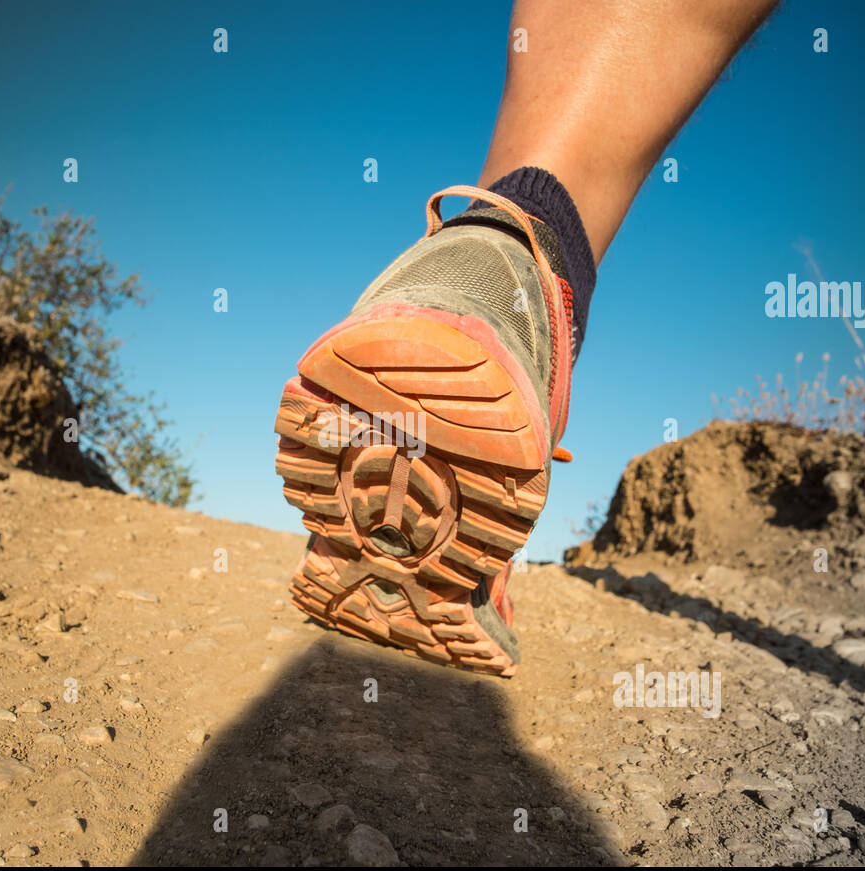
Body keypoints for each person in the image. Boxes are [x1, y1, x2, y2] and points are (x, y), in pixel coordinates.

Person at [274, 0, 779, 675]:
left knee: (521, 205)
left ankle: (481, 257)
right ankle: (529, 270)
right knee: (547, 235)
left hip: (459, 263)